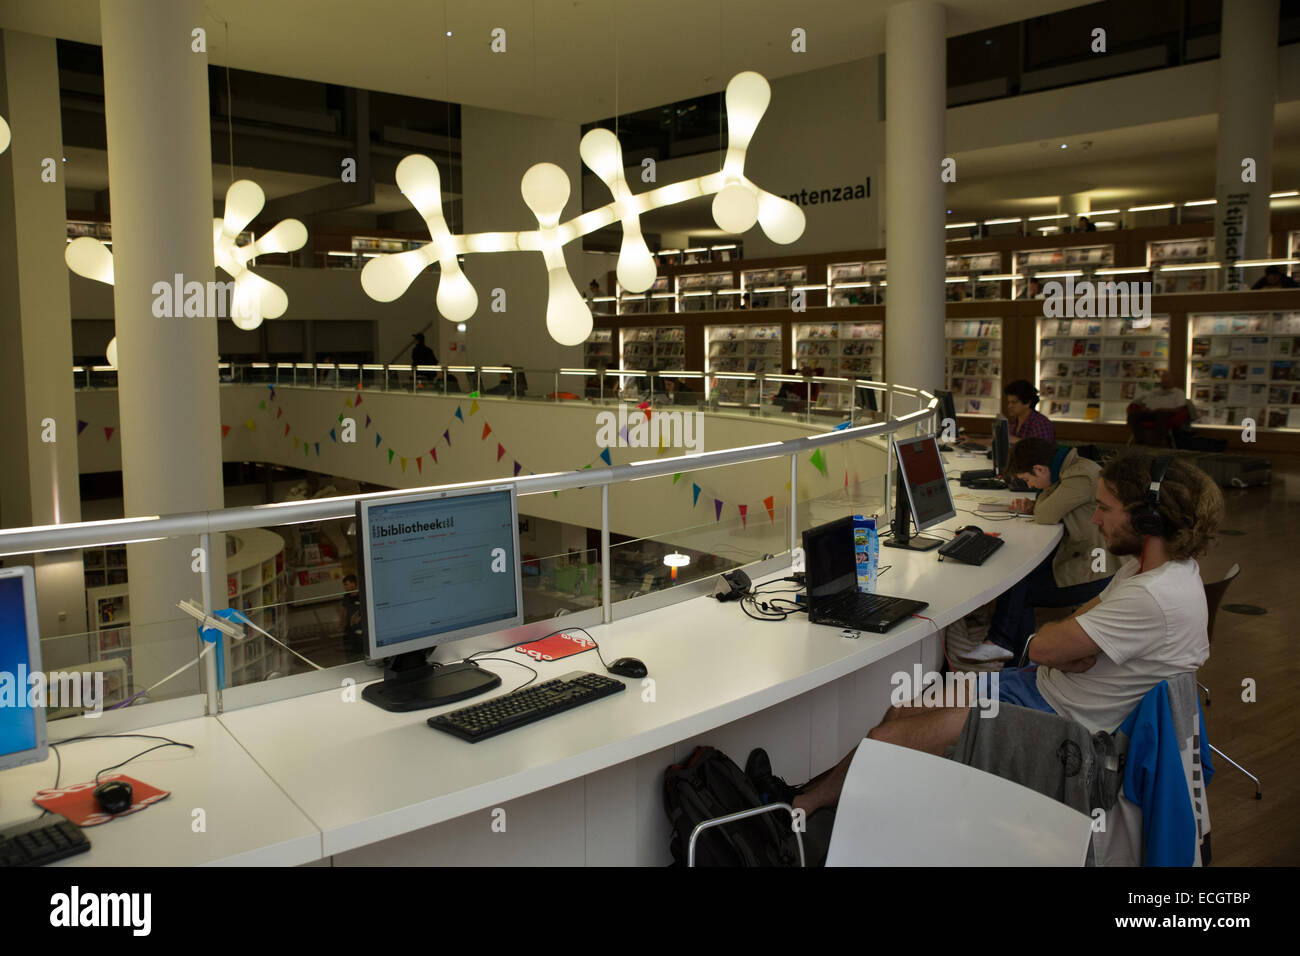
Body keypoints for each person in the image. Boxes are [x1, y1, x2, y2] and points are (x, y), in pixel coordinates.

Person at [792, 453, 1224, 816]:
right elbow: (1056, 640)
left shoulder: (1152, 596)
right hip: (1044, 688)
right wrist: (1057, 646)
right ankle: (812, 803)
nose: (1094, 518)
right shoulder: (1150, 569)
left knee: (888, 739)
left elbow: (1042, 646)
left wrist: (1052, 644)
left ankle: (826, 815)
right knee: (904, 711)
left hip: (1065, 729)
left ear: (1147, 519)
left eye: (1105, 509)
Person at [970, 438, 1114, 662]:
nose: (1029, 486)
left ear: (1039, 468)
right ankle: (1004, 646)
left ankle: (1013, 654)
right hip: (1082, 556)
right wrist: (1039, 504)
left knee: (1022, 590)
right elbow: (1050, 506)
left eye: (1027, 479)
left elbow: (1046, 515)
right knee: (1018, 577)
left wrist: (1040, 504)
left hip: (1095, 569)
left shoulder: (1080, 476)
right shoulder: (1069, 471)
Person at [960, 380, 1053, 449]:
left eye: (1014, 402)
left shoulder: (1040, 423)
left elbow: (1041, 451)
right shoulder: (1016, 421)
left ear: (1027, 403)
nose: (1009, 406)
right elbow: (999, 441)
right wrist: (972, 441)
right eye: (1009, 402)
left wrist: (1016, 441)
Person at [341, 573, 364, 657]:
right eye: (344, 585)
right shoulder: (346, 597)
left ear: (354, 584)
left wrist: (360, 618)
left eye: (347, 585)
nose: (345, 587)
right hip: (349, 626)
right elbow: (344, 611)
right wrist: (342, 624)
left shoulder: (362, 596)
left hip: (359, 626)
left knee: (360, 645)